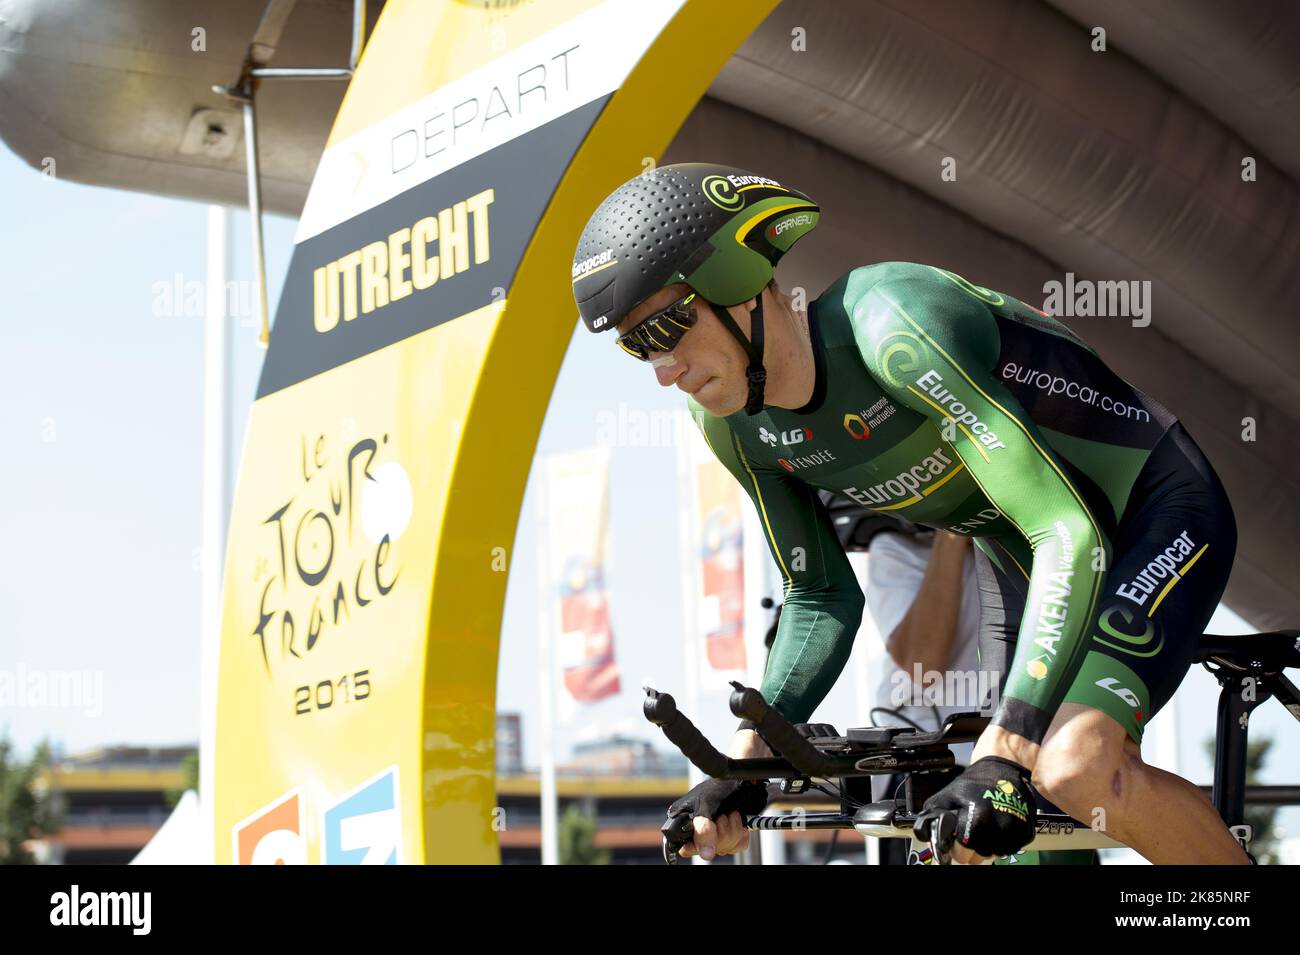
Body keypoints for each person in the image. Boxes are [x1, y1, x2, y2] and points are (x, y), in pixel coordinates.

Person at [571, 163, 1242, 864]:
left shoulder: (892, 325)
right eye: (638, 344)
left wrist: (1008, 747)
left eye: (670, 325)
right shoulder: (734, 427)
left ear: (738, 284)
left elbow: (1065, 528)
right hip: (1032, 564)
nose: (663, 367)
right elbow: (820, 594)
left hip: (1151, 514)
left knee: (1068, 764)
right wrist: (743, 766)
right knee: (1007, 829)